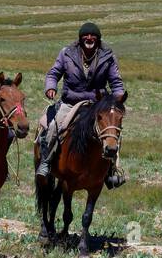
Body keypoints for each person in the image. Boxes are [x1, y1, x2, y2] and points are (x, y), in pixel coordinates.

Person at [36, 21, 125, 179]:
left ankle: (111, 170)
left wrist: (118, 98)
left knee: (112, 130)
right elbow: (54, 73)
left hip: (97, 104)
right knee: (54, 127)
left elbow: (116, 82)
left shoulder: (108, 56)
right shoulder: (67, 53)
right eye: (86, 35)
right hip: (70, 101)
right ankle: (46, 161)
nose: (89, 38)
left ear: (98, 39)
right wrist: (51, 86)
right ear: (80, 38)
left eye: (93, 36)